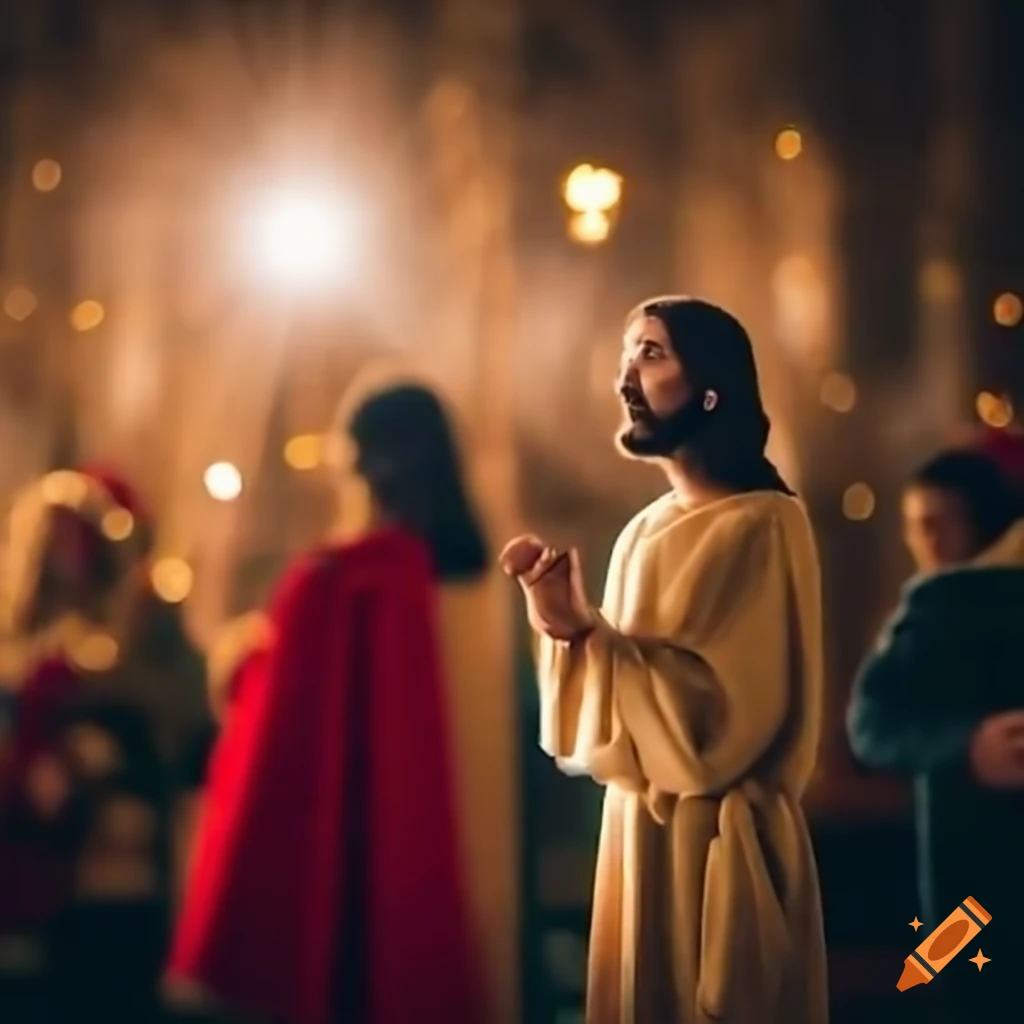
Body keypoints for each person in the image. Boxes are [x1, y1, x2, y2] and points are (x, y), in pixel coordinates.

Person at [501, 296, 828, 1024]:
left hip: (713, 852)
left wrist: (596, 637)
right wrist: (567, 630)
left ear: (712, 386)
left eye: (651, 353)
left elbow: (717, 730)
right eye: (626, 355)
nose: (626, 377)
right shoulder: (644, 530)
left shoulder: (763, 525)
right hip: (639, 839)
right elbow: (598, 730)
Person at [167, 379, 506, 1024]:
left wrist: (246, 660)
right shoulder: (485, 589)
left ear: (355, 462)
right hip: (489, 867)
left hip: (360, 895)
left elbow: (282, 739)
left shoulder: (337, 580)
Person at [847, 449, 1024, 1019]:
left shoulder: (936, 609)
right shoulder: (929, 609)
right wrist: (965, 746)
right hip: (966, 877)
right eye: (916, 527)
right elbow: (870, 726)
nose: (923, 543)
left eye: (935, 524)